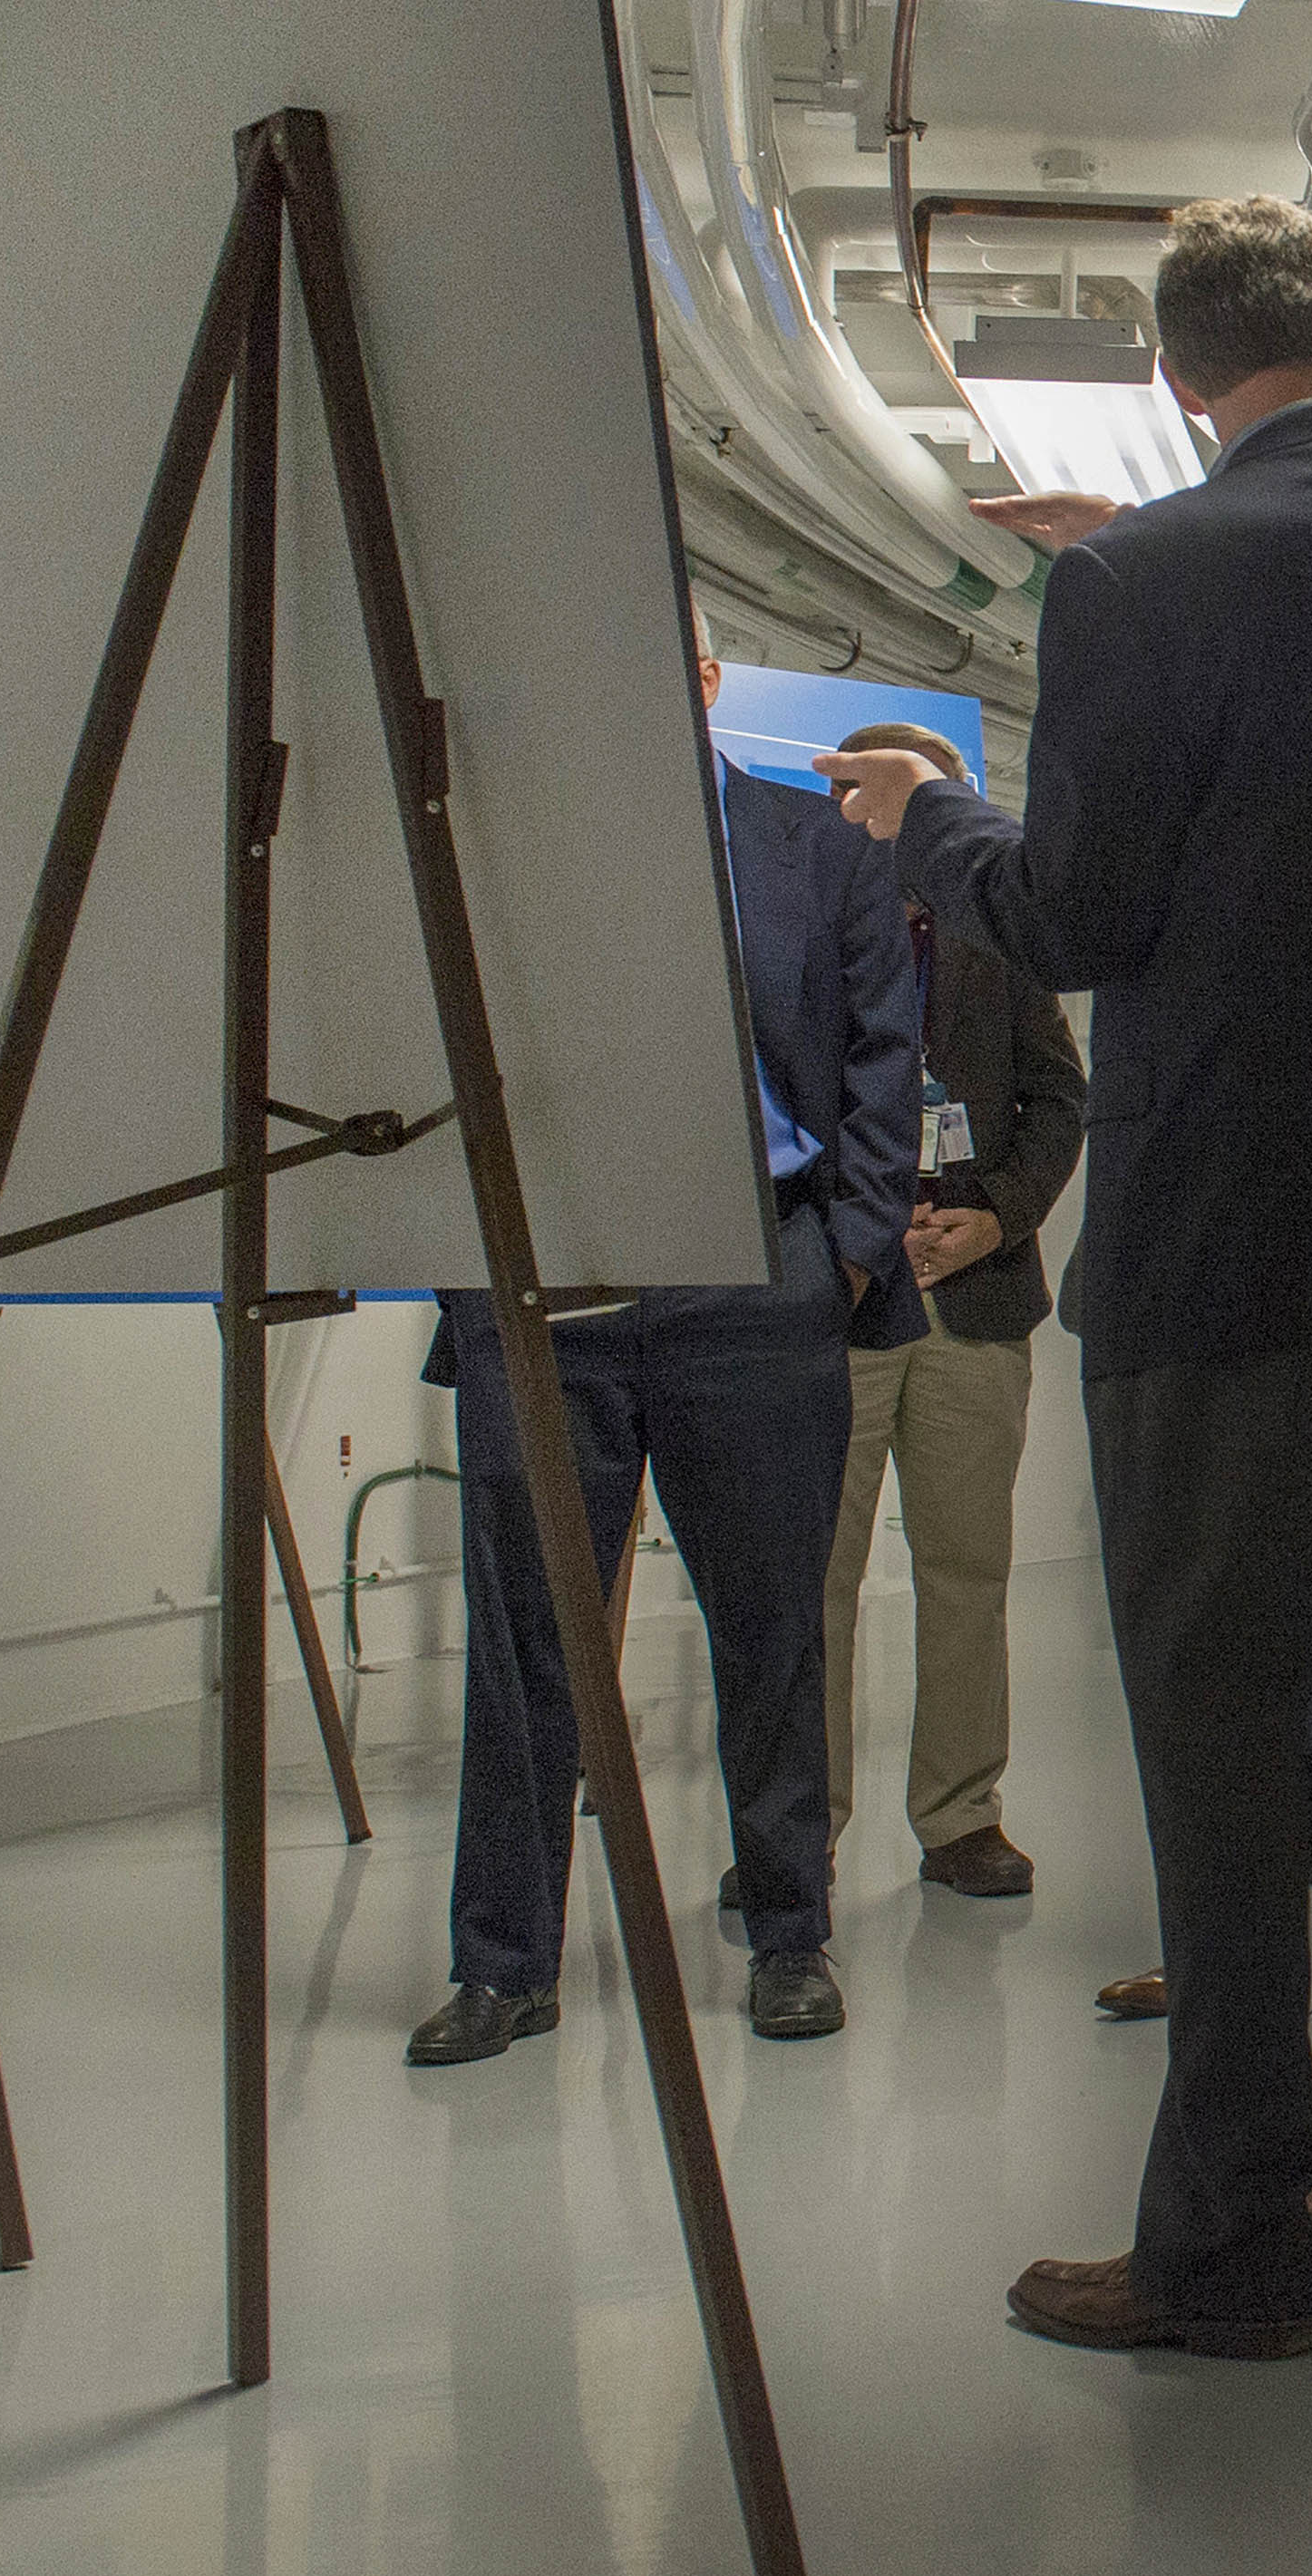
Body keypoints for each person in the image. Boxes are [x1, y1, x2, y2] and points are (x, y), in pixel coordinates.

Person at [819, 195, 1312, 2354]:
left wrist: (939, 813)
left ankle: (1233, 2241)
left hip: (1229, 1237)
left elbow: (1078, 914)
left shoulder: (1137, 579)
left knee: (1226, 1750)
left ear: (1174, 379)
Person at [408, 618, 925, 2068]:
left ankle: (787, 1933)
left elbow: (888, 1044)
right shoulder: (494, 852)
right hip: (545, 1285)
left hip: (757, 1275)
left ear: (709, 684)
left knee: (768, 1623)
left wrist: (850, 1246)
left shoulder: (811, 849)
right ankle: (503, 1960)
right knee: (526, 1643)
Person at [813, 718, 1084, 1903]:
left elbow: (1059, 1102)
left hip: (972, 1294)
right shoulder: (795, 934)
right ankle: (796, 1822)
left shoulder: (999, 937)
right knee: (809, 1574)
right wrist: (851, 1233)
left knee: (968, 1565)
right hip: (839, 1298)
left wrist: (999, 1218)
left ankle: (960, 1811)